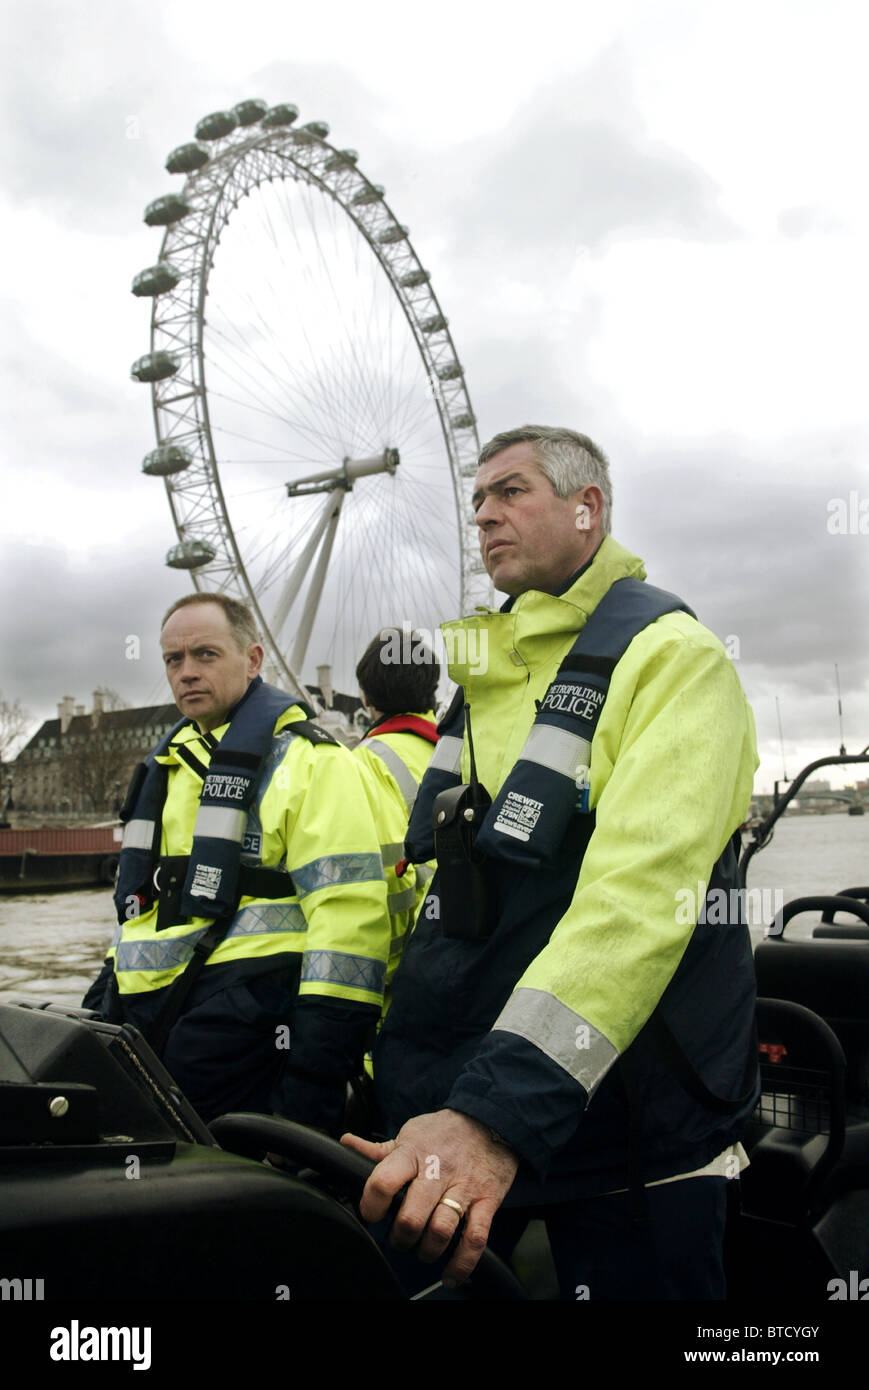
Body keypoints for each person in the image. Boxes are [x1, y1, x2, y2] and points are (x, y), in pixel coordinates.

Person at [342, 425, 759, 1299]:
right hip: (472, 1110)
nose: (484, 517)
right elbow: (453, 900)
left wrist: (494, 1115)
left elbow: (640, 899)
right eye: (477, 502)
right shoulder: (489, 674)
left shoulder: (673, 660)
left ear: (587, 507)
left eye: (511, 492)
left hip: (626, 1135)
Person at [84, 593, 389, 1134]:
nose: (187, 673)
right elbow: (141, 910)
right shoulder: (163, 770)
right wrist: (100, 1000)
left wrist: (313, 1080)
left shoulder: (311, 761)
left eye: (205, 654)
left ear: (252, 660)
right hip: (137, 1015)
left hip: (245, 1017)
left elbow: (350, 922)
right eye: (173, 660)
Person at [353, 628, 440, 996]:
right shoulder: (463, 746)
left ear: (368, 696)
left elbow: (387, 876)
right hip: (470, 942)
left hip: (410, 968)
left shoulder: (365, 762)